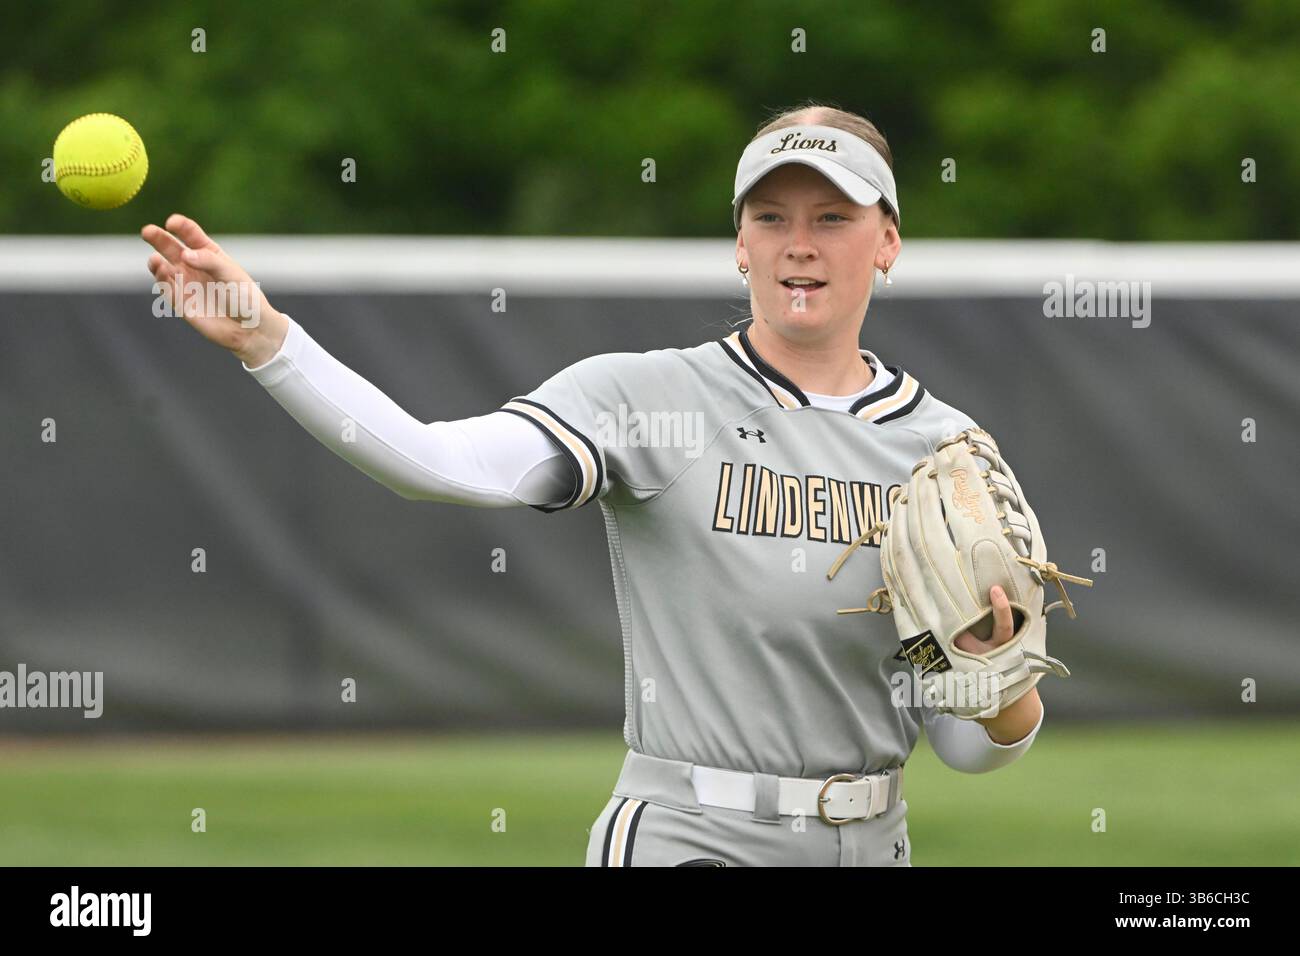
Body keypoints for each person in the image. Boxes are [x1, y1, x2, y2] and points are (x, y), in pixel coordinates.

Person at [141, 103, 1044, 867]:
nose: (797, 246)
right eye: (771, 217)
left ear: (888, 240)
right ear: (739, 242)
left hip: (875, 843)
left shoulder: (943, 456)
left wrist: (995, 679)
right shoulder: (649, 399)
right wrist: (271, 343)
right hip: (692, 838)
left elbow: (962, 741)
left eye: (833, 218)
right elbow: (436, 462)